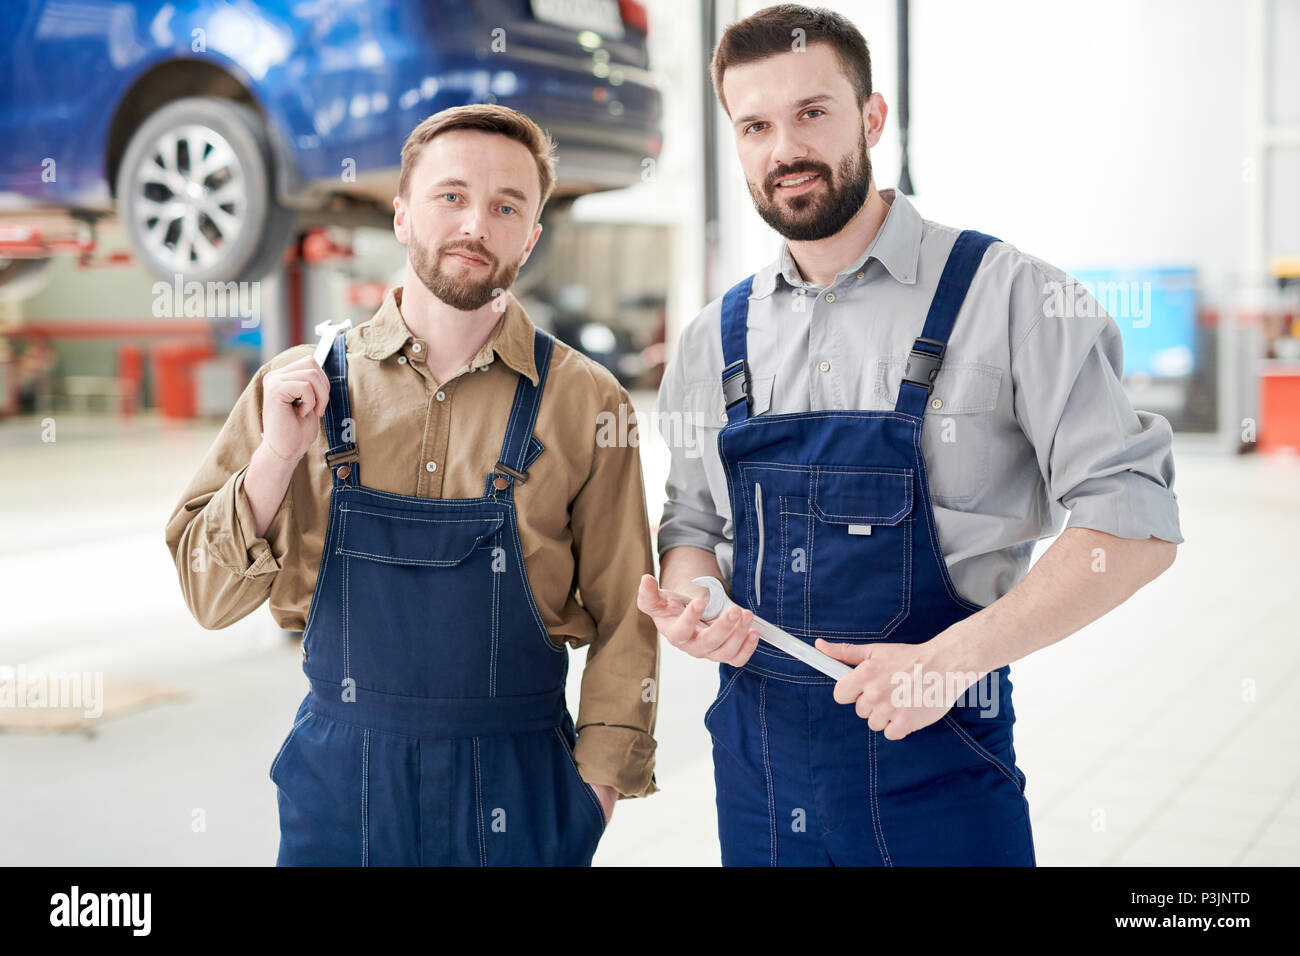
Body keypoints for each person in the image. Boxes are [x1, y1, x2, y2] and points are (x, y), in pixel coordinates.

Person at [638, 4, 1181, 866]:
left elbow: (1137, 525)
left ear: (872, 116)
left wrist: (951, 660)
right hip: (759, 780)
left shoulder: (1013, 299)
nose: (786, 150)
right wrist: (696, 601)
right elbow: (693, 528)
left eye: (813, 112)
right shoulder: (713, 338)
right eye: (756, 125)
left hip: (941, 776)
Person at [166, 104, 659, 866]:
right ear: (401, 216)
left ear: (530, 236)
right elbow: (209, 597)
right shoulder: (296, 388)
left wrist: (591, 796)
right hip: (341, 783)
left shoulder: (587, 402)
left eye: (506, 207)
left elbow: (630, 608)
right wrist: (275, 456)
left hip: (521, 787)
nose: (476, 225)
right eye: (451, 196)